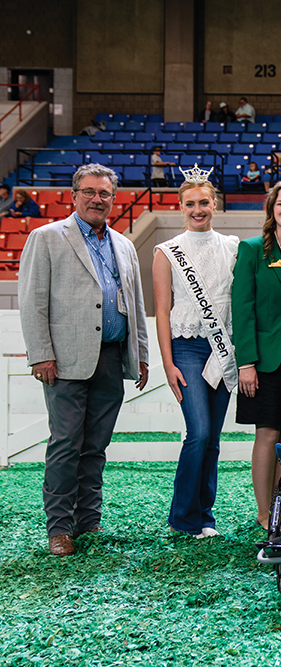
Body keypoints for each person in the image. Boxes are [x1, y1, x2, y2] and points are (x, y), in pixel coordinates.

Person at [18, 163, 149, 556]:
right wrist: (41, 354)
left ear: (113, 198)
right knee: (65, 444)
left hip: (111, 358)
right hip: (65, 360)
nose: (97, 199)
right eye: (89, 192)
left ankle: (88, 520)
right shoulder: (46, 238)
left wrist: (140, 353)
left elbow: (136, 305)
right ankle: (59, 527)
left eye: (104, 193)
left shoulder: (123, 244)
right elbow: (32, 301)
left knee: (96, 446)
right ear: (74, 195)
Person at [152, 174, 239, 538]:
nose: (198, 209)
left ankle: (205, 515)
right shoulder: (166, 251)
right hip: (186, 346)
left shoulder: (233, 246)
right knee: (198, 432)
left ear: (214, 205)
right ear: (181, 207)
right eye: (191, 204)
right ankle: (183, 517)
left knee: (214, 439)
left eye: (204, 202)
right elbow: (161, 310)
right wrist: (168, 363)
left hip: (223, 347)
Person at [233, 180, 281, 530]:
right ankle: (265, 514)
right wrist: (246, 362)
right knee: (267, 435)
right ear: (271, 210)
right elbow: (242, 308)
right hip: (266, 360)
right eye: (280, 204)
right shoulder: (252, 250)